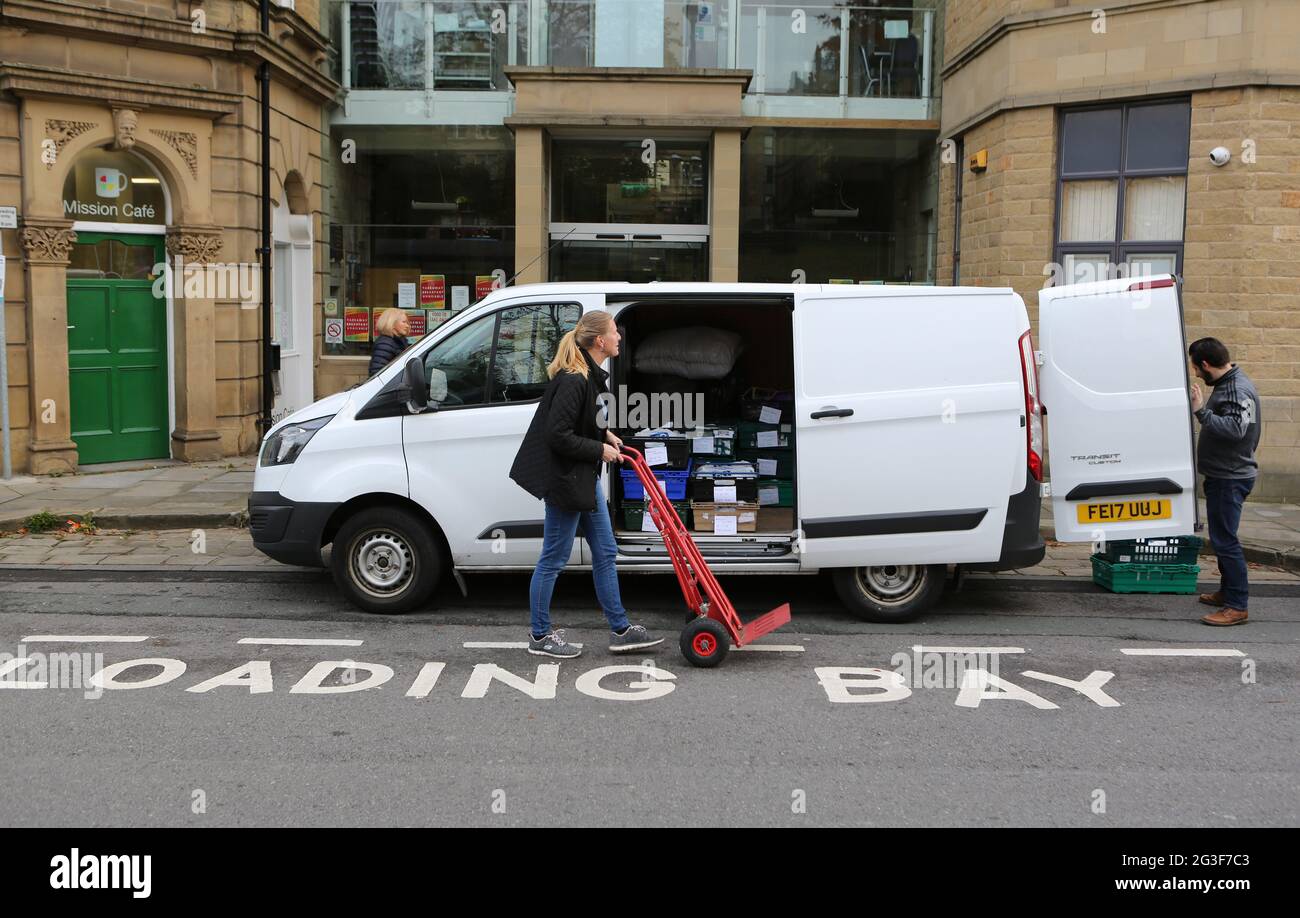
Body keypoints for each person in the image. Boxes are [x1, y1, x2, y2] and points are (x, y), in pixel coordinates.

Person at [508, 310, 663, 658]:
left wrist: (604, 433)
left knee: (606, 551)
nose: (619, 337)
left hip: (582, 478)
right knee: (554, 557)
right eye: (614, 332)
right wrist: (599, 449)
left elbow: (578, 423)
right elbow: (557, 434)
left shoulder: (588, 377)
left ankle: (621, 629)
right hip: (566, 481)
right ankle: (539, 636)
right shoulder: (574, 380)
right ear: (599, 341)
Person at [1188, 337, 1262, 626]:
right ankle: (1226, 591)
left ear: (1205, 364)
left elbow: (1235, 431)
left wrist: (1200, 411)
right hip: (1224, 475)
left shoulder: (1237, 389)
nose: (1195, 373)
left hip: (1230, 478)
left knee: (1226, 541)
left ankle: (1237, 606)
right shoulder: (1230, 383)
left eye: (1196, 368)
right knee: (1222, 539)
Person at [368, 308, 411, 376]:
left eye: (407, 323)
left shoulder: (398, 341)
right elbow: (377, 373)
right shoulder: (385, 344)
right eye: (404, 322)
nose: (407, 326)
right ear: (392, 323)